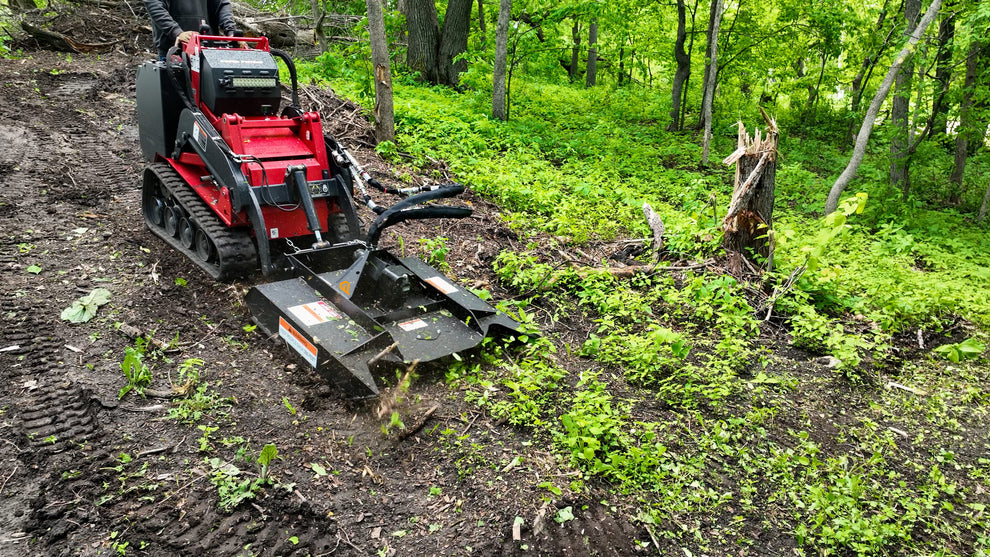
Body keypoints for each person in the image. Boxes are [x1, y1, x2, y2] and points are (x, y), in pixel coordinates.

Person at [144, 0, 238, 59]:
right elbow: (155, 6)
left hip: (209, 51)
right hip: (175, 52)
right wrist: (176, 32)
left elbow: (222, 4)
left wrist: (230, 31)